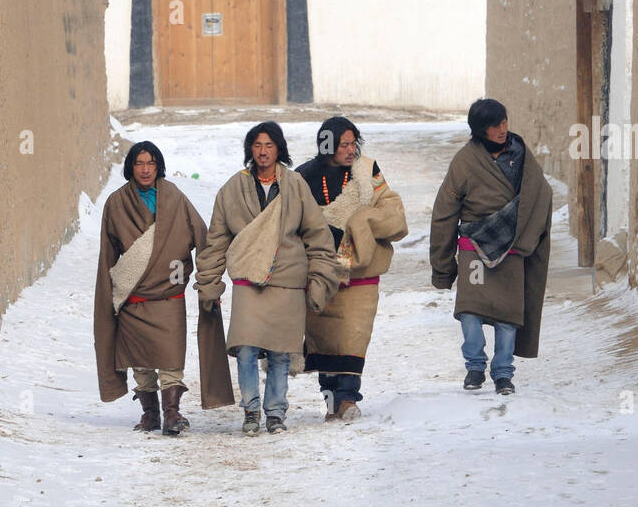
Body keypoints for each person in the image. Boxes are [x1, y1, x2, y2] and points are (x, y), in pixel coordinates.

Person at [195, 121, 341, 435]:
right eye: (257, 145)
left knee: (280, 352)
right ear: (250, 149)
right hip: (249, 278)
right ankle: (250, 410)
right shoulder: (233, 188)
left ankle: (275, 413)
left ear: (279, 149)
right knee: (245, 348)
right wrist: (209, 282)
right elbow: (217, 239)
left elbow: (317, 234)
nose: (263, 151)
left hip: (287, 278)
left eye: (269, 145)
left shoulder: (295, 185)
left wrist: (320, 278)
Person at [94, 140, 234, 434]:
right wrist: (109, 293)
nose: (145, 170)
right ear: (130, 167)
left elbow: (203, 239)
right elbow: (108, 253)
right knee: (140, 361)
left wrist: (208, 281)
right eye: (139, 163)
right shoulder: (117, 203)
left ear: (159, 166)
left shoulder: (174, 198)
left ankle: (172, 413)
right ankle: (150, 414)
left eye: (151, 163)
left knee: (170, 357)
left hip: (169, 296)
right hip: (134, 296)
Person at [429, 99, 552, 395]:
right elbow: (444, 211)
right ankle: (474, 365)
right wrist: (443, 266)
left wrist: (528, 237)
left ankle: (503, 373)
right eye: (494, 125)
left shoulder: (521, 155)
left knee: (508, 316)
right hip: (474, 248)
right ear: (480, 129)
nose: (502, 129)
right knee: (470, 311)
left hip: (512, 247)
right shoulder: (465, 161)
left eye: (504, 122)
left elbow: (540, 194)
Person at [296, 116, 407, 422]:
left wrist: (363, 221)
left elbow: (389, 207)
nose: (349, 150)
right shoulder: (304, 176)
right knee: (324, 340)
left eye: (353, 143)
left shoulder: (367, 171)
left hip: (359, 274)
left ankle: (348, 398)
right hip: (321, 273)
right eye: (343, 144)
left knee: (353, 336)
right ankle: (331, 400)